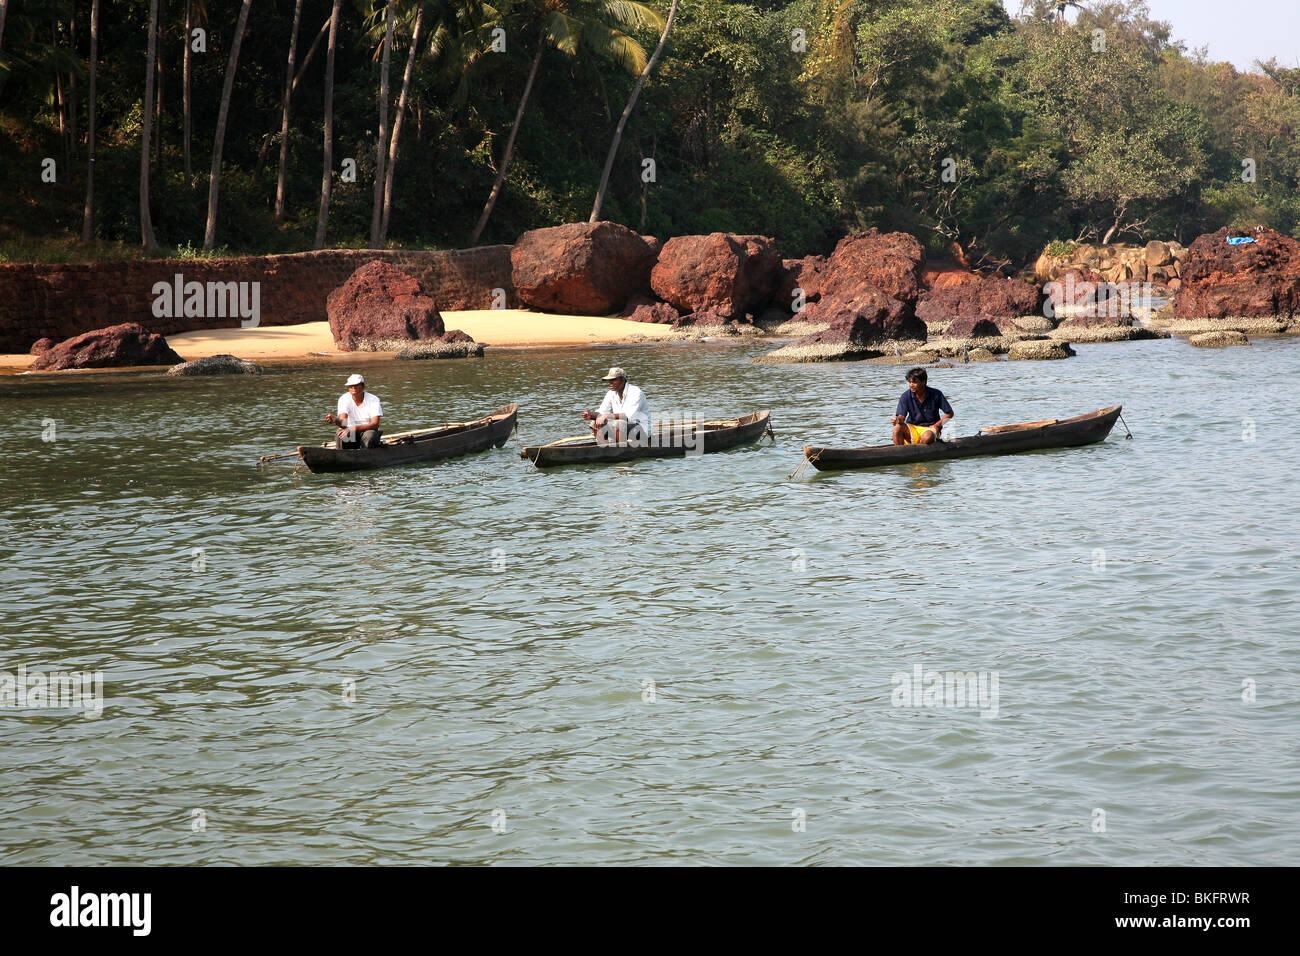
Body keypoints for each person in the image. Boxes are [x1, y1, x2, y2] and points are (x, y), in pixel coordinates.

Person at [581, 367, 651, 444]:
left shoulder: (635, 392)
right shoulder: (610, 393)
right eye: (609, 380)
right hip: (621, 428)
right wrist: (591, 415)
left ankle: (620, 451)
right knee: (595, 423)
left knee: (619, 423)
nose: (610, 383)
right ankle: (603, 447)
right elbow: (602, 412)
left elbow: (628, 417)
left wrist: (606, 416)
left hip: (640, 430)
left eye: (613, 380)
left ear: (623, 380)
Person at [892, 367, 953, 445]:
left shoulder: (936, 394)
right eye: (910, 382)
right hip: (912, 428)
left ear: (924, 382)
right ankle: (899, 454)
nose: (911, 385)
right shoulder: (905, 396)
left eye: (914, 382)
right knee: (897, 428)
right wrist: (897, 419)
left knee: (927, 436)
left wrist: (937, 425)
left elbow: (950, 413)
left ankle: (917, 452)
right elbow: (901, 417)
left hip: (930, 429)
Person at [325, 373, 383, 449]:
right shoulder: (344, 399)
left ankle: (366, 456)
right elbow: (344, 424)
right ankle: (343, 456)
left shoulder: (373, 399)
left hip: (368, 431)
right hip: (352, 434)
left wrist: (353, 428)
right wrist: (335, 420)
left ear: (362, 386)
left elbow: (375, 425)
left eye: (356, 385)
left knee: (369, 436)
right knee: (341, 435)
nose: (353, 388)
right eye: (351, 386)